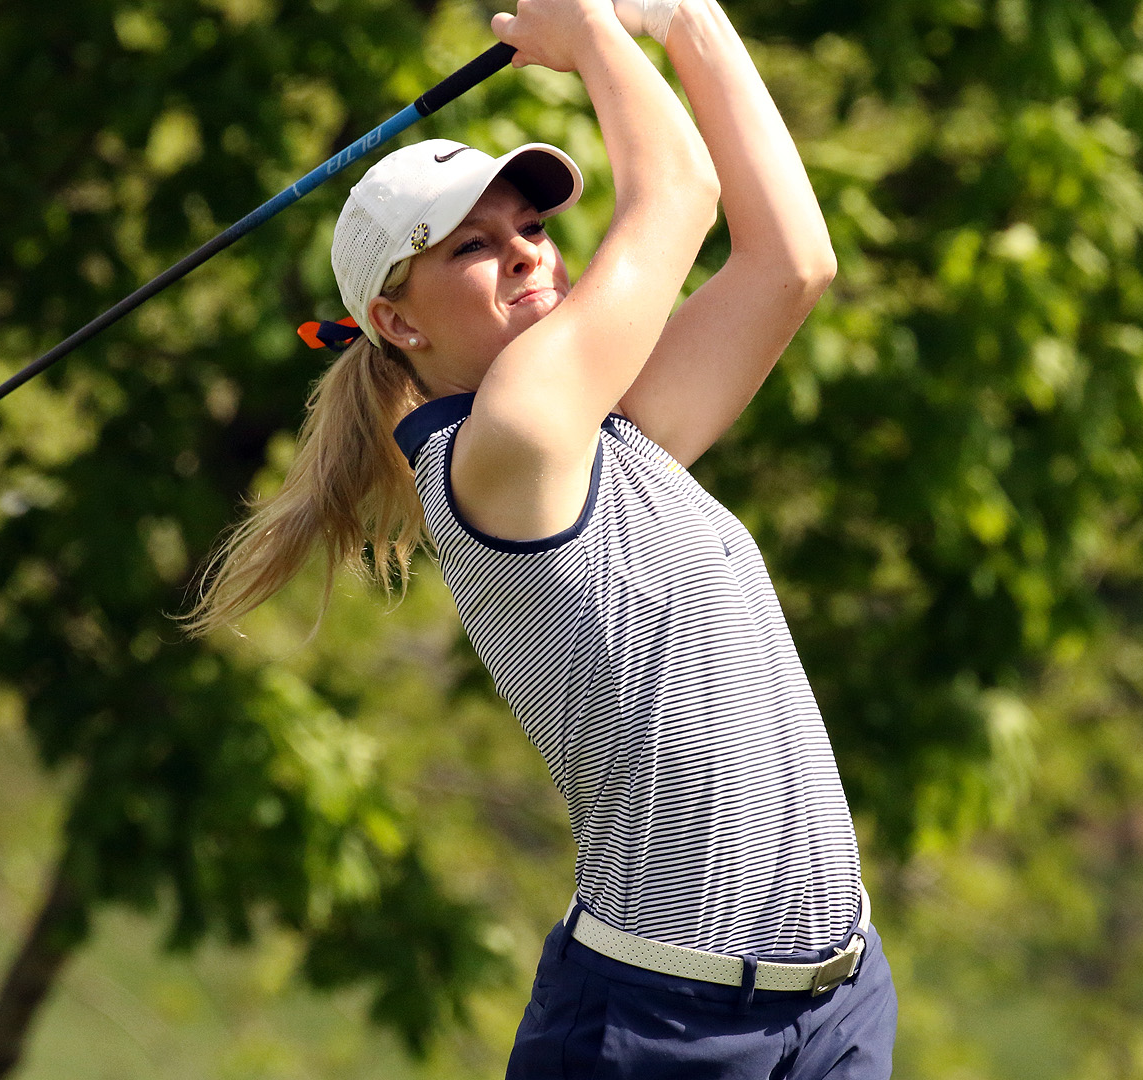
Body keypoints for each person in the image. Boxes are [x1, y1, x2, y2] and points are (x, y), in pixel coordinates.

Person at [187, 0, 898, 1073]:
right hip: (660, 1031)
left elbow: (790, 263)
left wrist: (691, 23)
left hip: (837, 1001)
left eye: (531, 228)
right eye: (473, 246)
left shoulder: (616, 436)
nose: (525, 254)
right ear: (399, 322)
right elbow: (680, 195)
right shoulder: (503, 451)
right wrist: (590, 35)